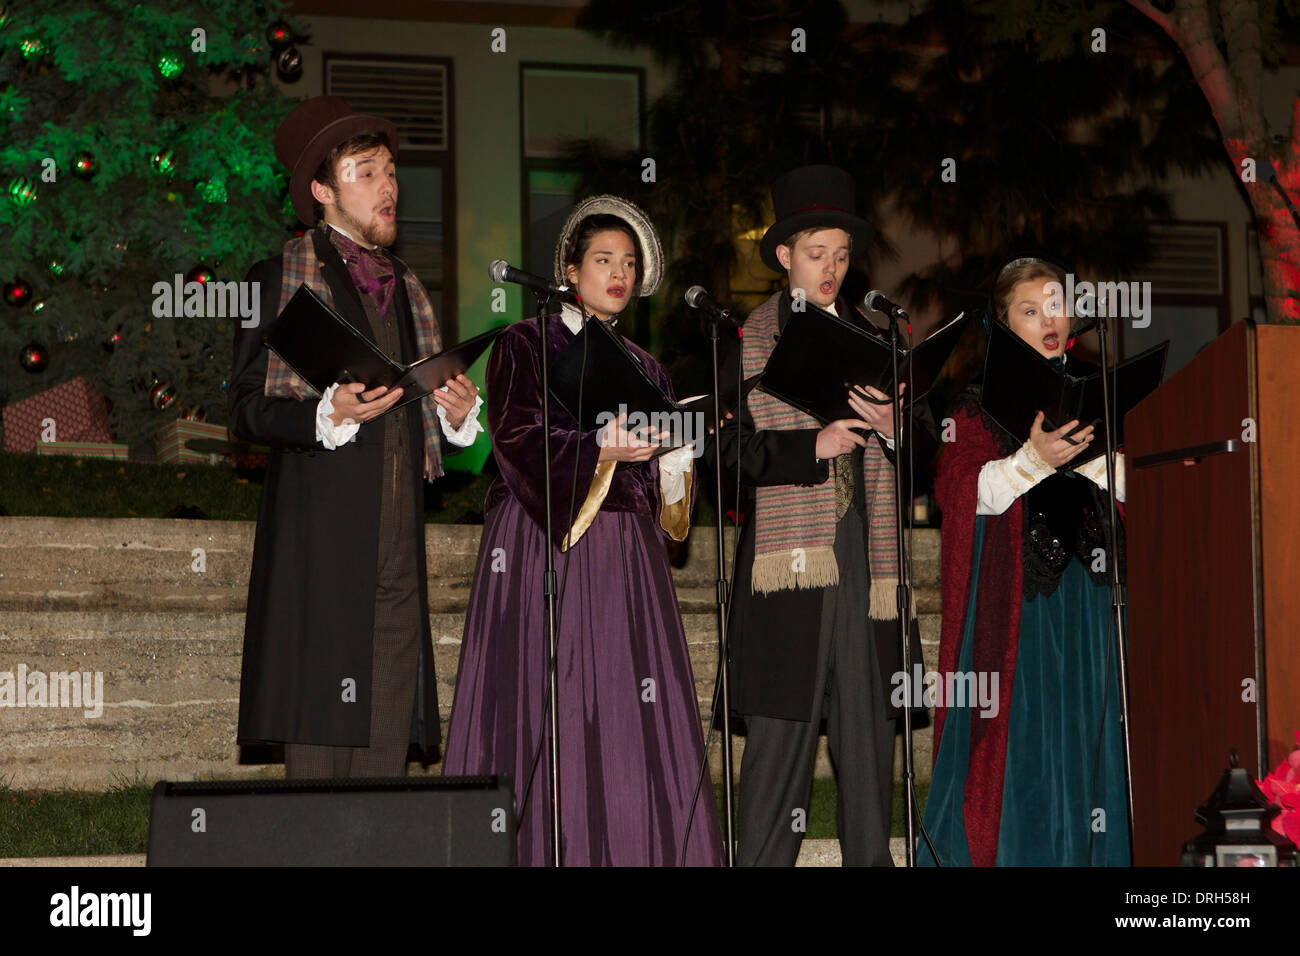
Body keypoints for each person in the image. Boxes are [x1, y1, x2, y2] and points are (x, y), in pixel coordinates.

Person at [442, 196, 724, 866]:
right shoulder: (524, 342)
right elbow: (514, 440)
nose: (618, 273)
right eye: (603, 260)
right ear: (569, 268)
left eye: (627, 264)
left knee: (626, 711)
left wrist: (681, 450)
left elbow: (667, 505)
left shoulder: (648, 368)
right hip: (547, 540)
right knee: (548, 705)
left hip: (627, 558)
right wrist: (601, 446)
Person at [230, 96, 482, 778]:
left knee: (384, 755)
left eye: (392, 172)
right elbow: (246, 410)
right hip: (320, 551)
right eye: (367, 171)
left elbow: (421, 413)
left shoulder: (408, 289)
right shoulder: (278, 276)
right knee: (320, 752)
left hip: (398, 553)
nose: (389, 186)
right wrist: (326, 412)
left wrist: (455, 412)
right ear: (322, 190)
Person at [704, 165, 919, 867]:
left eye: (842, 254)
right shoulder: (751, 339)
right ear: (783, 257)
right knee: (776, 756)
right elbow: (727, 453)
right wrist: (812, 444)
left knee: (868, 746)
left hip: (866, 561)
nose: (831, 268)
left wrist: (894, 427)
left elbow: (928, 460)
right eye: (816, 253)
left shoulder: (877, 337)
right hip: (787, 572)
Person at [918, 255, 1130, 866]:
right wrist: (1032, 461)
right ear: (1004, 325)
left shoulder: (1105, 395)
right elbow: (960, 493)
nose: (1047, 320)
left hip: (1093, 609)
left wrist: (1096, 465)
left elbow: (1145, 488)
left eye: (1056, 307)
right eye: (1029, 310)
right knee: (1028, 752)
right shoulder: (979, 404)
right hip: (1022, 615)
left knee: (1092, 744)